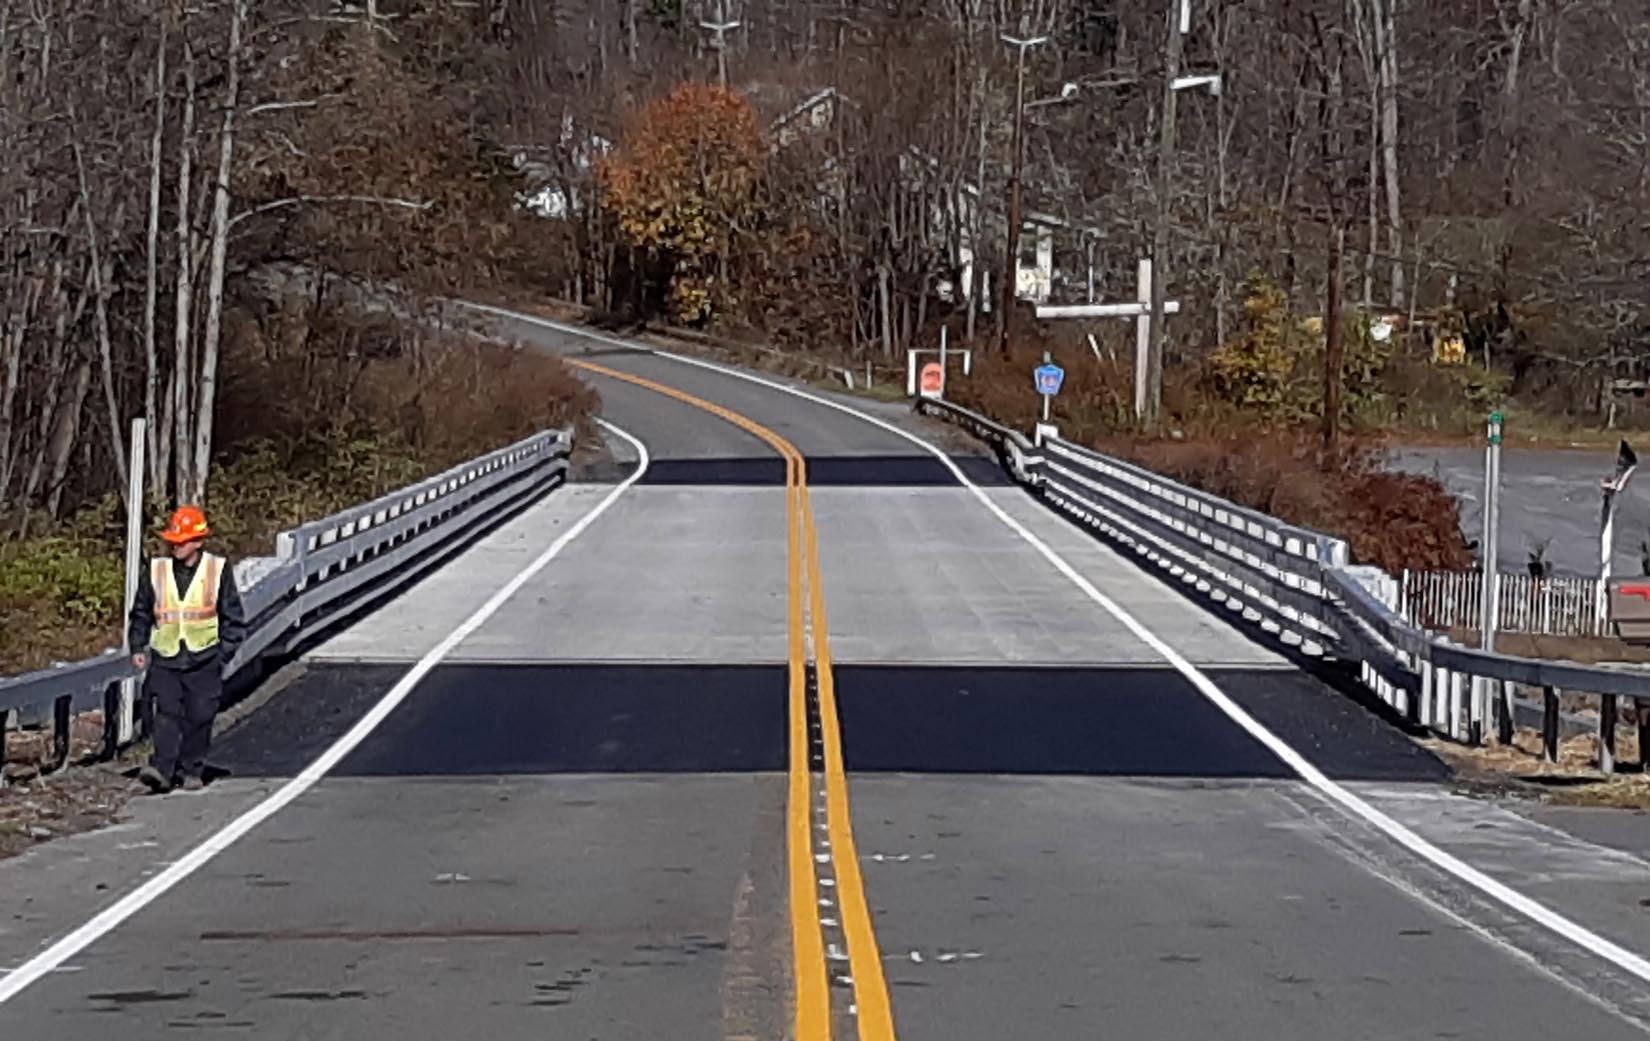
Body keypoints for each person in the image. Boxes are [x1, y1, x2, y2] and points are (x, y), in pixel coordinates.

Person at [125, 505, 246, 793]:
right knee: (166, 714)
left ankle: (191, 769)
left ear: (198, 542)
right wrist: (138, 645)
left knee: (200, 716)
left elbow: (232, 615)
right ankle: (162, 770)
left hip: (204, 657)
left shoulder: (216, 570)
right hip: (166, 657)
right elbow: (141, 611)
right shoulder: (157, 570)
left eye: (182, 541)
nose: (176, 547)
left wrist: (223, 653)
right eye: (174, 541)